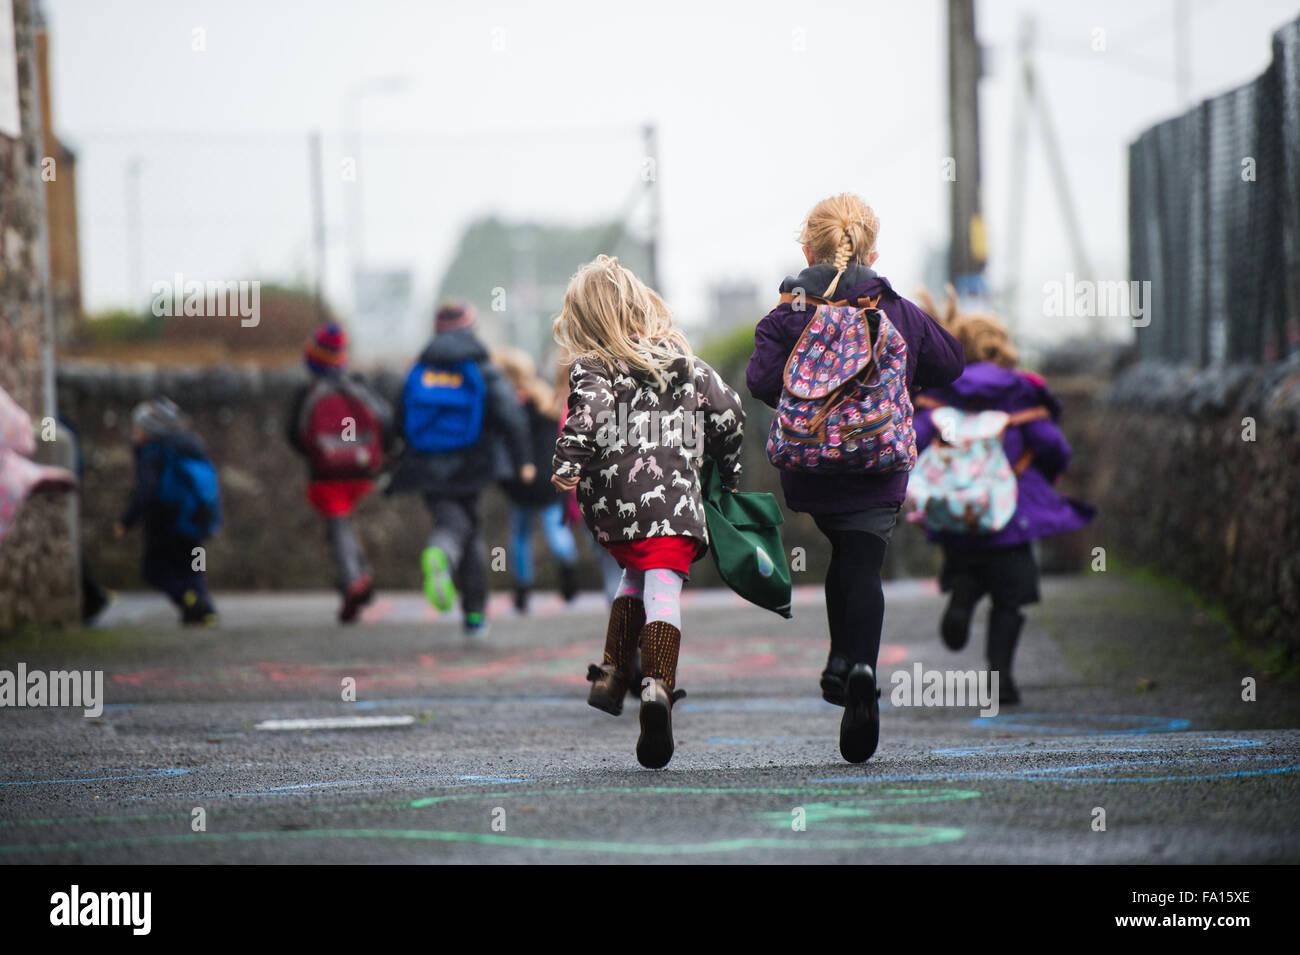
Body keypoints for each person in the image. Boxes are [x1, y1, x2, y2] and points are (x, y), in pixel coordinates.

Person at [746, 193, 964, 764]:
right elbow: (952, 363)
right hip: (879, 463)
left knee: (842, 549)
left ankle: (842, 663)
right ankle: (859, 665)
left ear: (806, 249)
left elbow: (761, 379)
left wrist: (814, 402)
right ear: (871, 249)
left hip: (814, 469)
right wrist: (889, 388)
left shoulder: (790, 314)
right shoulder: (896, 310)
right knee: (863, 559)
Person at [552, 254, 745, 769]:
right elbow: (729, 411)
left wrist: (568, 463)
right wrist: (729, 472)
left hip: (620, 510)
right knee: (663, 590)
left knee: (632, 578)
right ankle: (657, 686)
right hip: (675, 506)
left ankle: (614, 672)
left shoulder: (592, 368)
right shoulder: (684, 365)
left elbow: (586, 415)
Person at [911, 296, 1094, 703]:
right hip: (1010, 519)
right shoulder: (1021, 392)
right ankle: (1001, 678)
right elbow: (1054, 447)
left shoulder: (941, 391)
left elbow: (917, 440)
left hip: (958, 517)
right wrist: (1037, 477)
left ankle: (961, 601)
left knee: (967, 573)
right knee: (1010, 601)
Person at [386, 301, 533, 637]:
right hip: (473, 463)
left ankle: (472, 609)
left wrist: (392, 454)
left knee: (455, 523)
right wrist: (523, 459)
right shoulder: (480, 366)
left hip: (425, 463)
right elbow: (511, 415)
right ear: (470, 328)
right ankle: (454, 576)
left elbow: (398, 418)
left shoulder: (420, 367)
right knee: (465, 528)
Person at [287, 323, 393, 623]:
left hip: (326, 473)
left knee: (338, 528)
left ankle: (352, 580)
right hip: (360, 469)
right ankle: (360, 575)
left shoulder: (309, 393)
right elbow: (385, 421)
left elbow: (296, 433)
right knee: (346, 524)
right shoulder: (359, 389)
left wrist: (318, 454)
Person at [114, 397, 221, 625]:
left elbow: (147, 490)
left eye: (138, 427)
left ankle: (188, 599)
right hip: (196, 519)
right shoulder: (192, 444)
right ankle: (202, 607)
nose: (135, 432)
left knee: (153, 569)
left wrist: (126, 521)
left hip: (166, 520)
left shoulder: (154, 451)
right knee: (194, 566)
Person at [493, 346, 581, 612]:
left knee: (520, 536)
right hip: (549, 478)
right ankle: (569, 575)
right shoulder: (545, 398)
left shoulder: (507, 404)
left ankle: (522, 591)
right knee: (557, 530)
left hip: (520, 481)